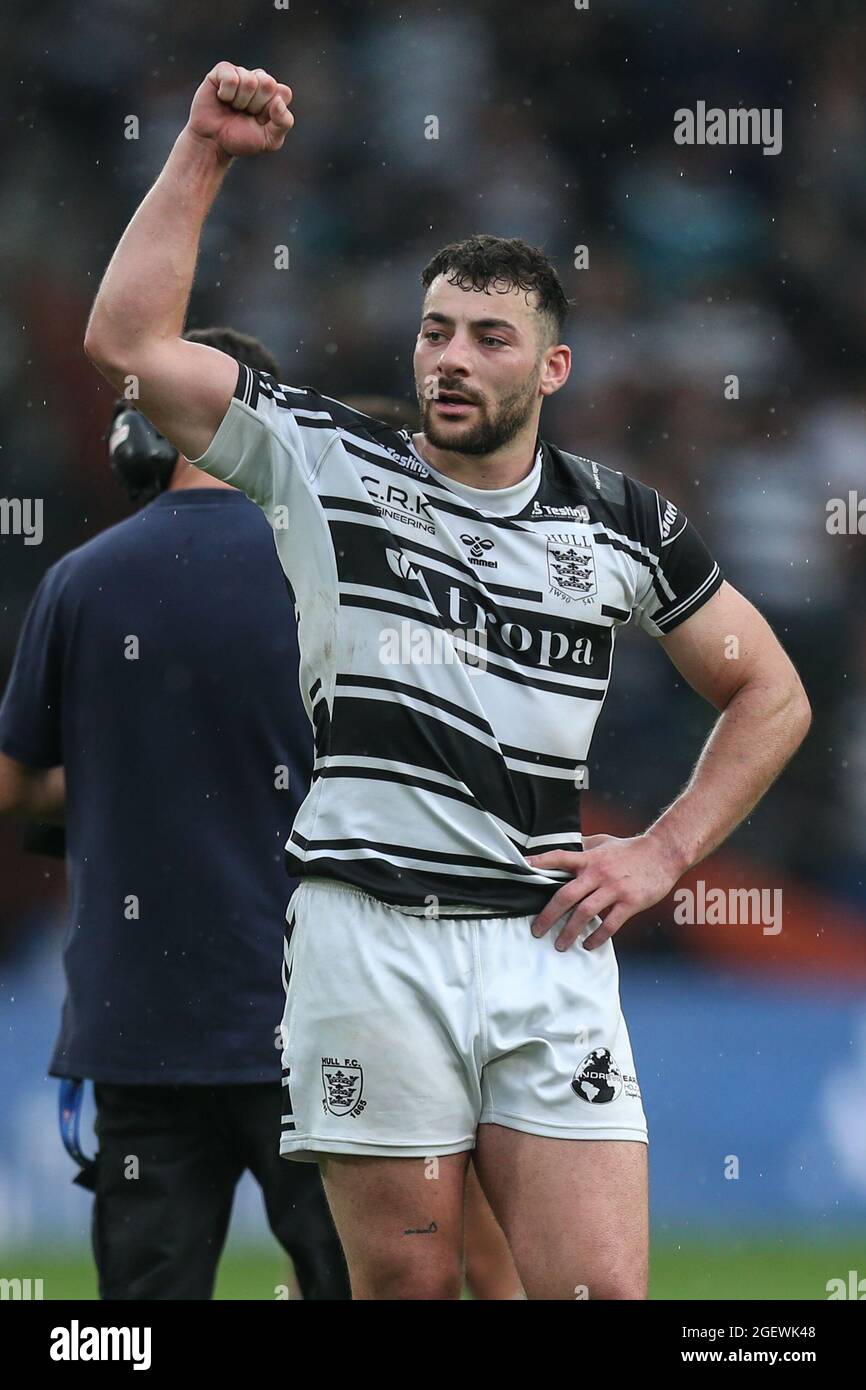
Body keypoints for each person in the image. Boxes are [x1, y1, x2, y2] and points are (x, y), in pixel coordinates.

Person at [83, 62, 812, 1300]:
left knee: (598, 1293)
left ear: (553, 368)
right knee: (410, 1293)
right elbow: (128, 346)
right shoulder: (324, 460)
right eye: (433, 332)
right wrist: (203, 153)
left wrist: (664, 850)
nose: (451, 359)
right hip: (367, 940)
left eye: (488, 337)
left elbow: (771, 693)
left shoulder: (621, 523)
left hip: (544, 945)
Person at [0, 324, 350, 1301]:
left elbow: (13, 779)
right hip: (319, 1022)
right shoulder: (333, 577)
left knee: (142, 1324)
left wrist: (116, 777)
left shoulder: (80, 579)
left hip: (139, 1027)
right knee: (353, 1284)